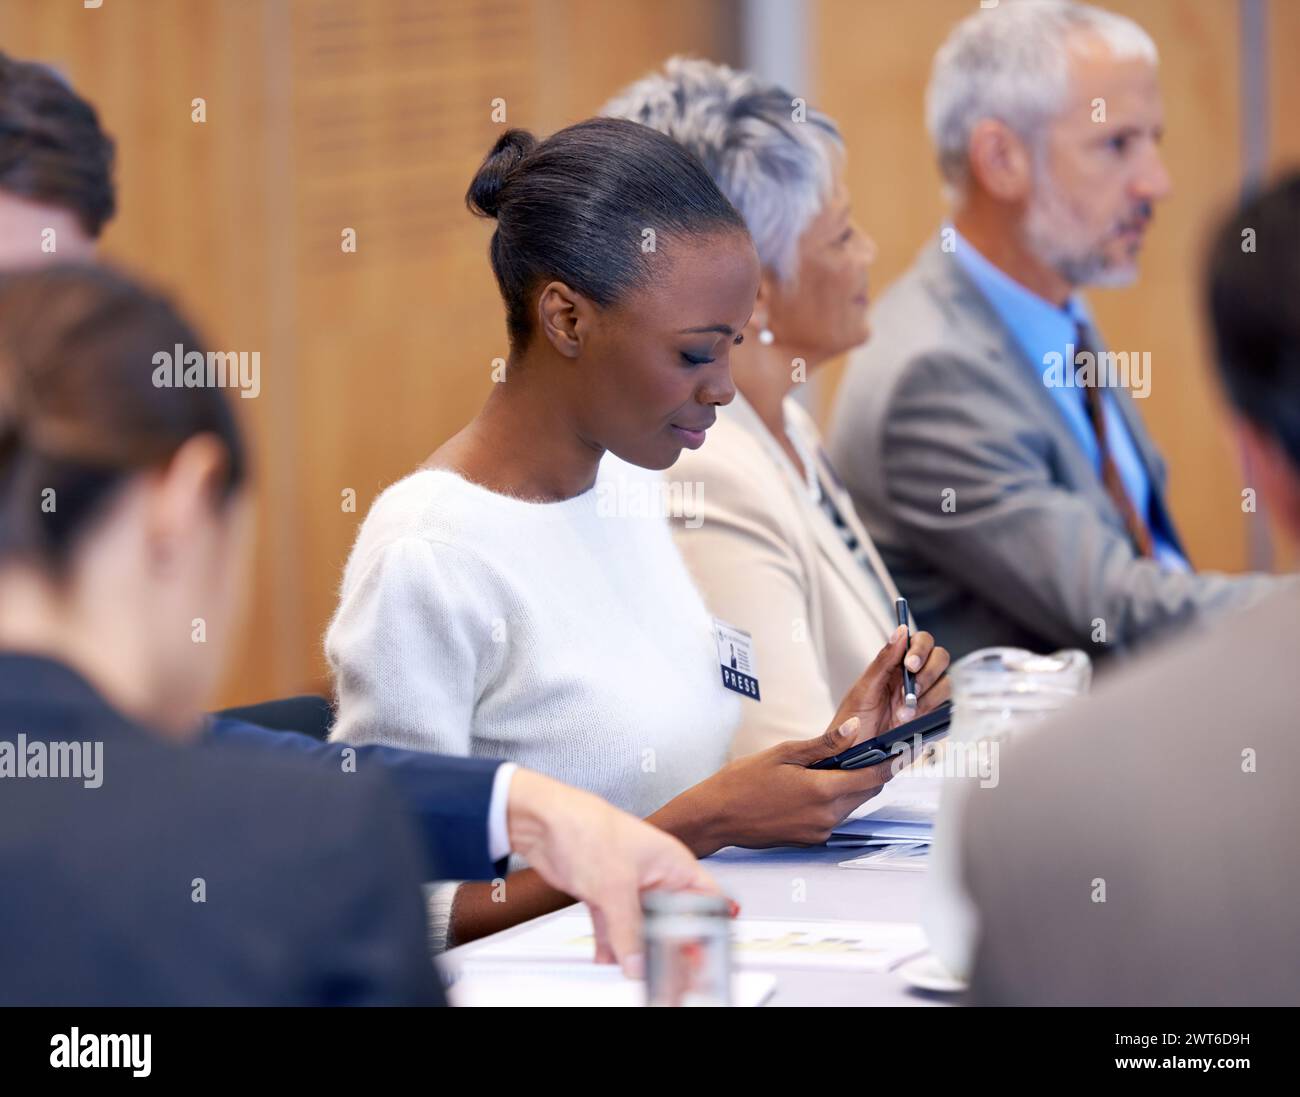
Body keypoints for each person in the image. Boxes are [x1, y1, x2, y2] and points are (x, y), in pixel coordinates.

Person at [0, 50, 726, 977]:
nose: (33, 358)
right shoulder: (431, 543)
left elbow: (157, 745)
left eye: (60, 303)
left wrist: (520, 807)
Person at [327, 117, 948, 947]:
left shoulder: (625, 482)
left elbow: (680, 771)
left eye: (732, 346)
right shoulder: (428, 557)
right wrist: (701, 821)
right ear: (567, 321)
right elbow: (396, 913)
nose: (723, 389)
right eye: (695, 356)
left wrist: (837, 750)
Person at [827, 0, 1285, 662]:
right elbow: (1119, 607)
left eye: (1154, 141)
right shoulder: (932, 375)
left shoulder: (1054, 307)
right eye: (1116, 144)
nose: (1157, 182)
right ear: (1001, 158)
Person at [960, 173, 1300, 1005]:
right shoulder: (958, 366)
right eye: (1116, 143)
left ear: (1254, 454)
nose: (1152, 178)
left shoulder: (1051, 812)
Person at [604, 57, 951, 759]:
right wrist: (918, 725)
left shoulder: (780, 421)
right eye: (843, 234)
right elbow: (789, 767)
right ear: (751, 289)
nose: (869, 253)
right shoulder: (708, 468)